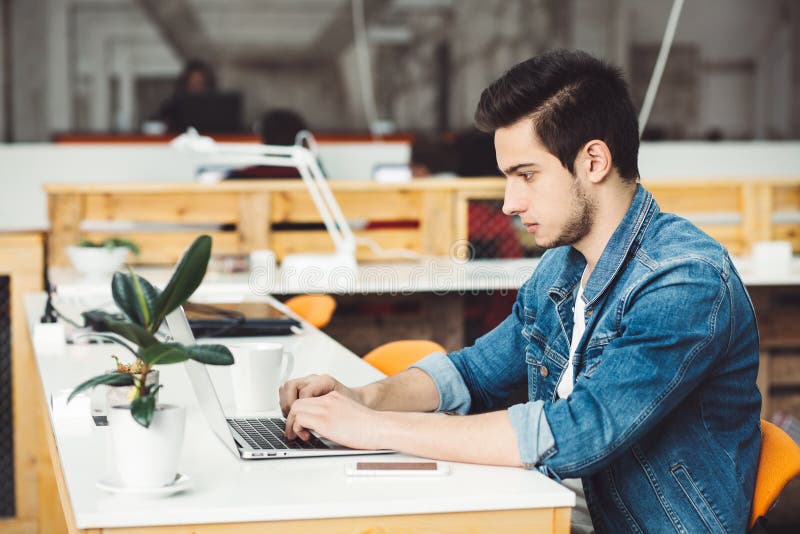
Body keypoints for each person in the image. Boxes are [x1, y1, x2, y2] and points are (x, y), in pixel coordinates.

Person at [278, 50, 761, 532]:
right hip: (542, 508)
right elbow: (474, 373)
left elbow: (577, 434)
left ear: (593, 160)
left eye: (526, 175)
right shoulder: (561, 266)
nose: (510, 202)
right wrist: (364, 398)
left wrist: (374, 429)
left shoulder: (684, 281)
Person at [156, 59, 218, 132]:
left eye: (199, 81)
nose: (196, 84)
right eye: (193, 80)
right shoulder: (174, 102)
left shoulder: (216, 104)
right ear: (186, 81)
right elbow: (159, 120)